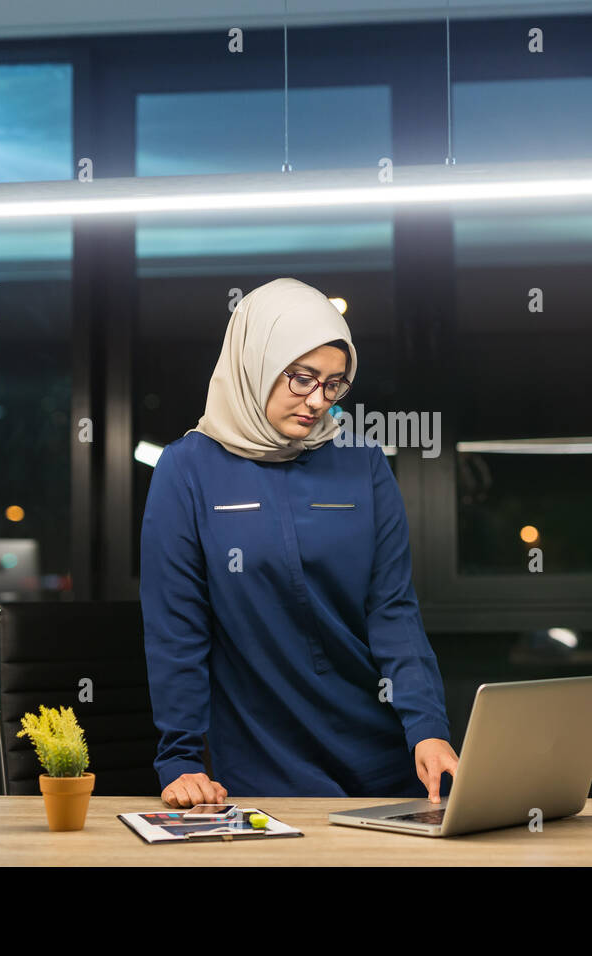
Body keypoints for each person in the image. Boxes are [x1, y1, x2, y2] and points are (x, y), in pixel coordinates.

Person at [141, 277, 458, 808]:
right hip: (263, 758)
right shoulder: (187, 469)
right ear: (256, 363)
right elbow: (178, 628)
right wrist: (179, 760)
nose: (318, 401)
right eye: (302, 378)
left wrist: (427, 727)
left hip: (382, 752)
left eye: (335, 384)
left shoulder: (363, 463)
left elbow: (392, 609)